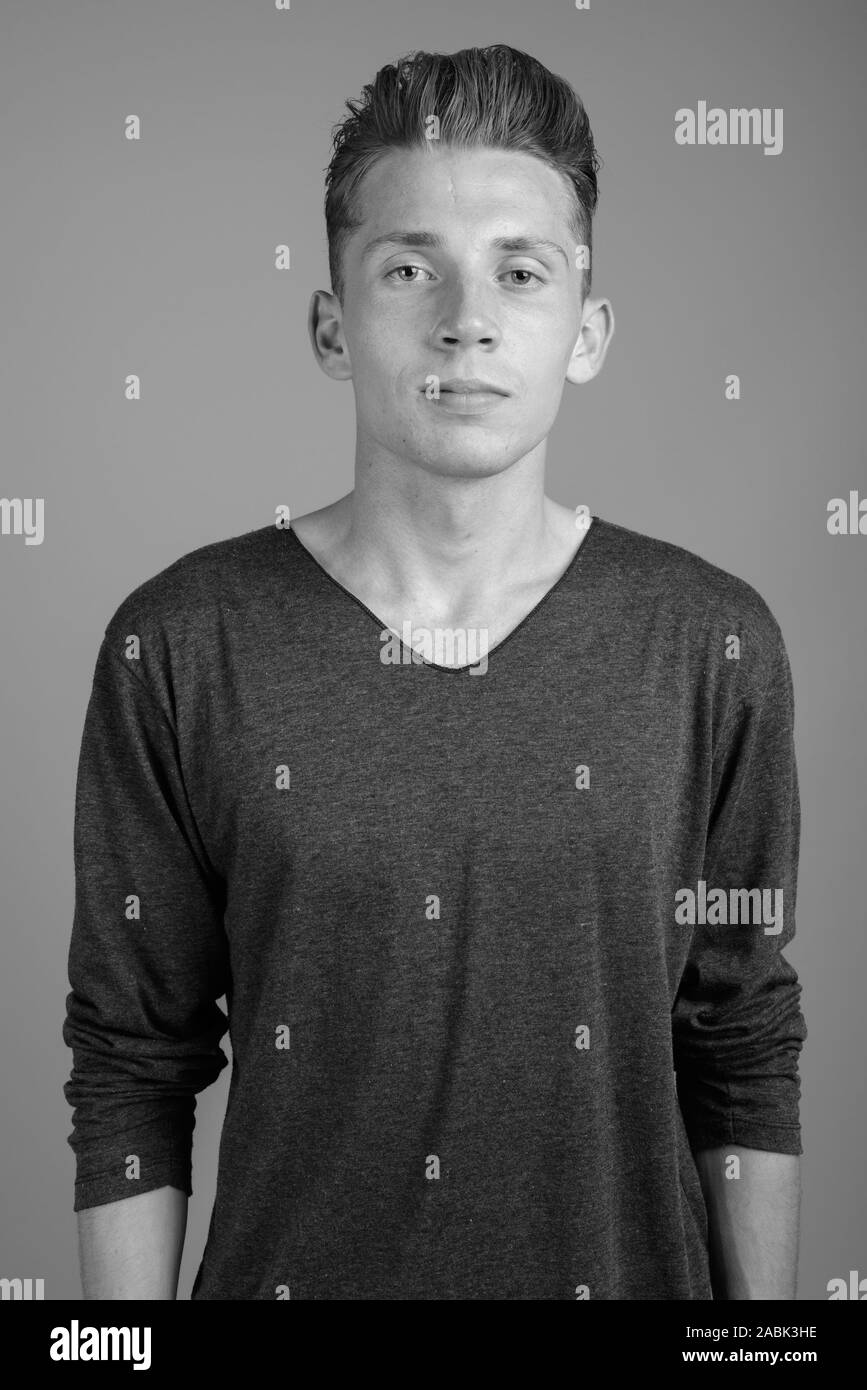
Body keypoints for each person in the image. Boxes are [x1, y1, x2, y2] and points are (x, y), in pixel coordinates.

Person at [63, 43, 806, 1300]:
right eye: (411, 268)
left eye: (521, 271)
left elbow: (739, 1042)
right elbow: (133, 1056)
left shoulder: (712, 642)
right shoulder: (181, 644)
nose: (467, 318)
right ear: (330, 322)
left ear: (587, 329)